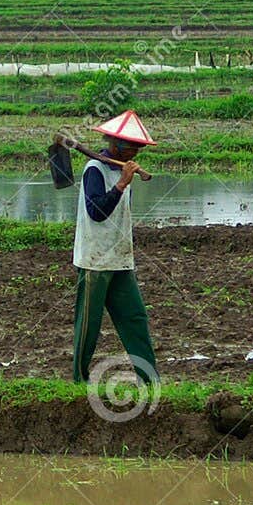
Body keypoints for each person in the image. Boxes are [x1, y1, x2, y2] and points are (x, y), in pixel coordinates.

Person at [72, 110, 158, 385]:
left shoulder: (124, 169)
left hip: (121, 258)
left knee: (135, 318)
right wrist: (121, 183)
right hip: (95, 260)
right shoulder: (94, 171)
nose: (135, 151)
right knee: (89, 325)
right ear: (115, 144)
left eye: (138, 147)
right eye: (131, 145)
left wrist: (123, 180)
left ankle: (149, 380)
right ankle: (80, 379)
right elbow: (97, 213)